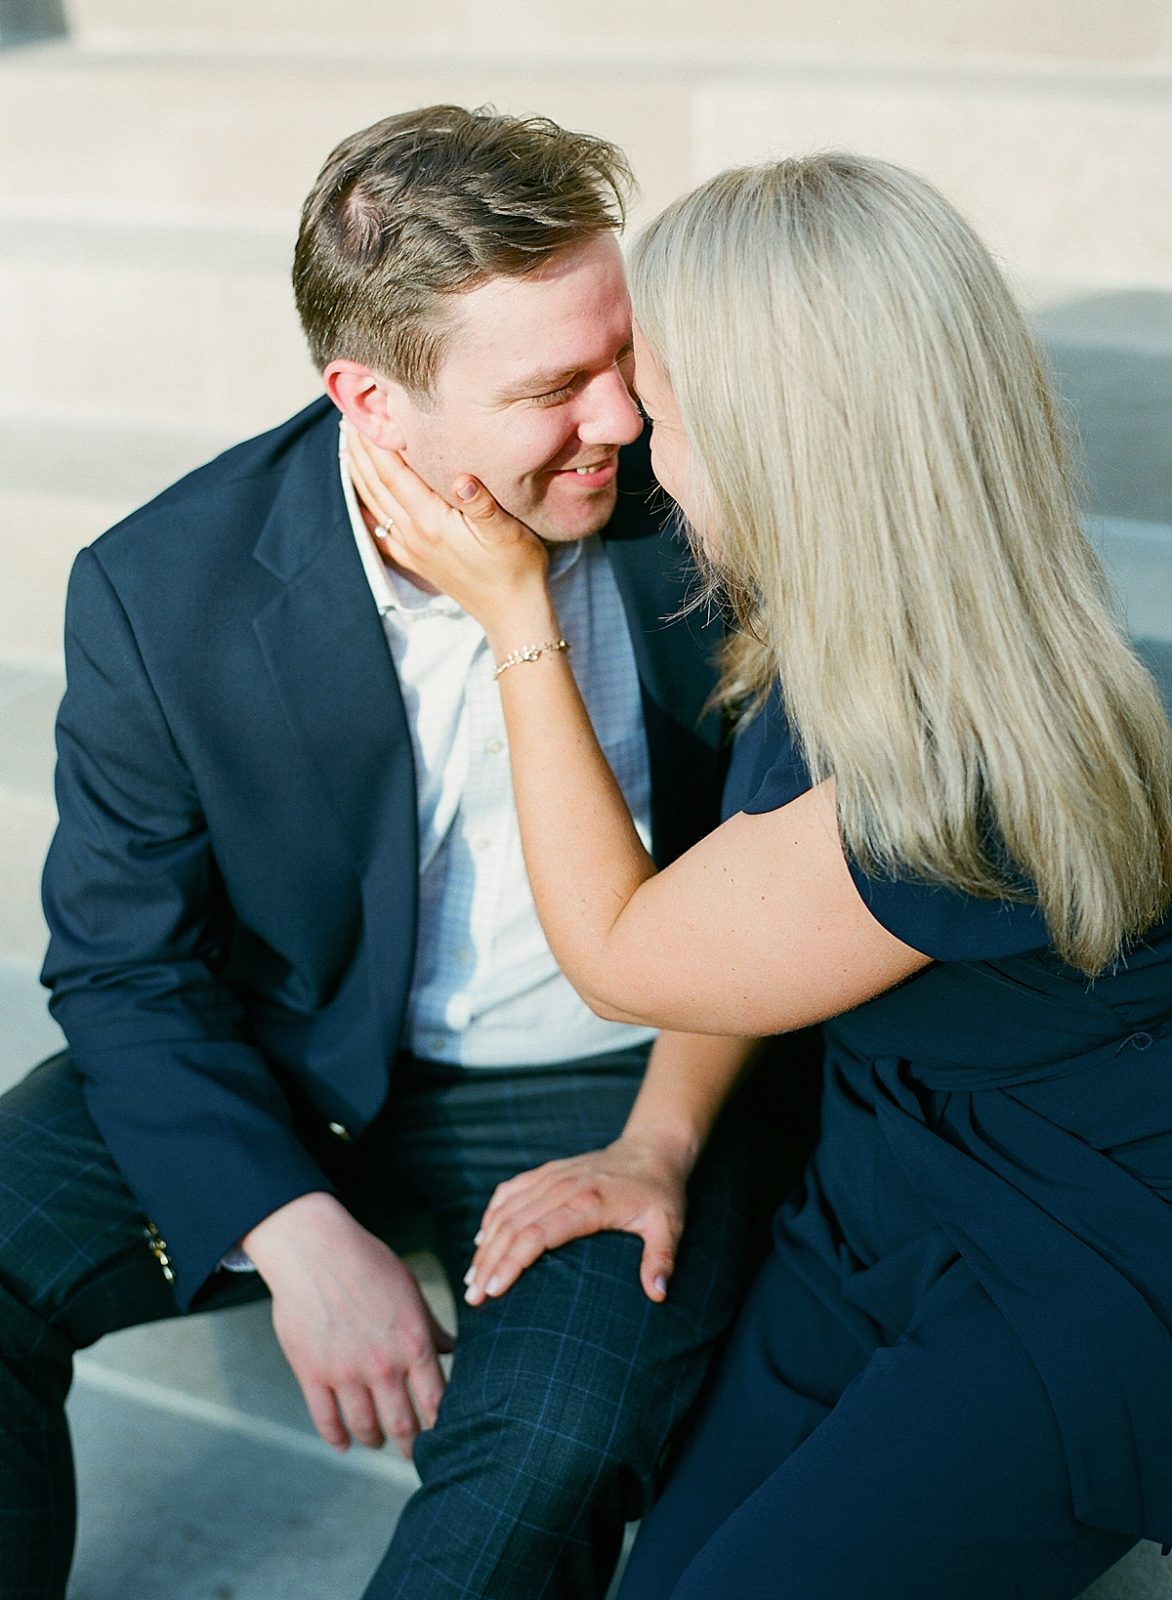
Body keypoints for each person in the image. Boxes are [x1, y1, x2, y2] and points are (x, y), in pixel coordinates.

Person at [343, 151, 1172, 1600]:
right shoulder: (853, 607)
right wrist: (657, 1145)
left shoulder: (964, 754)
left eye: (658, 409)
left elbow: (627, 947)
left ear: (781, 442)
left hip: (1078, 1261)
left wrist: (512, 615)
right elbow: (749, 911)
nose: (636, 445)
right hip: (878, 1180)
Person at [0, 106, 782, 1600]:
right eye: (557, 386)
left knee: (545, 1451)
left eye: (625, 354)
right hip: (294, 1063)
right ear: (371, 398)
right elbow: (121, 968)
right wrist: (287, 1228)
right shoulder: (165, 591)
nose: (621, 419)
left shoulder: (706, 504)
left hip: (616, 1078)